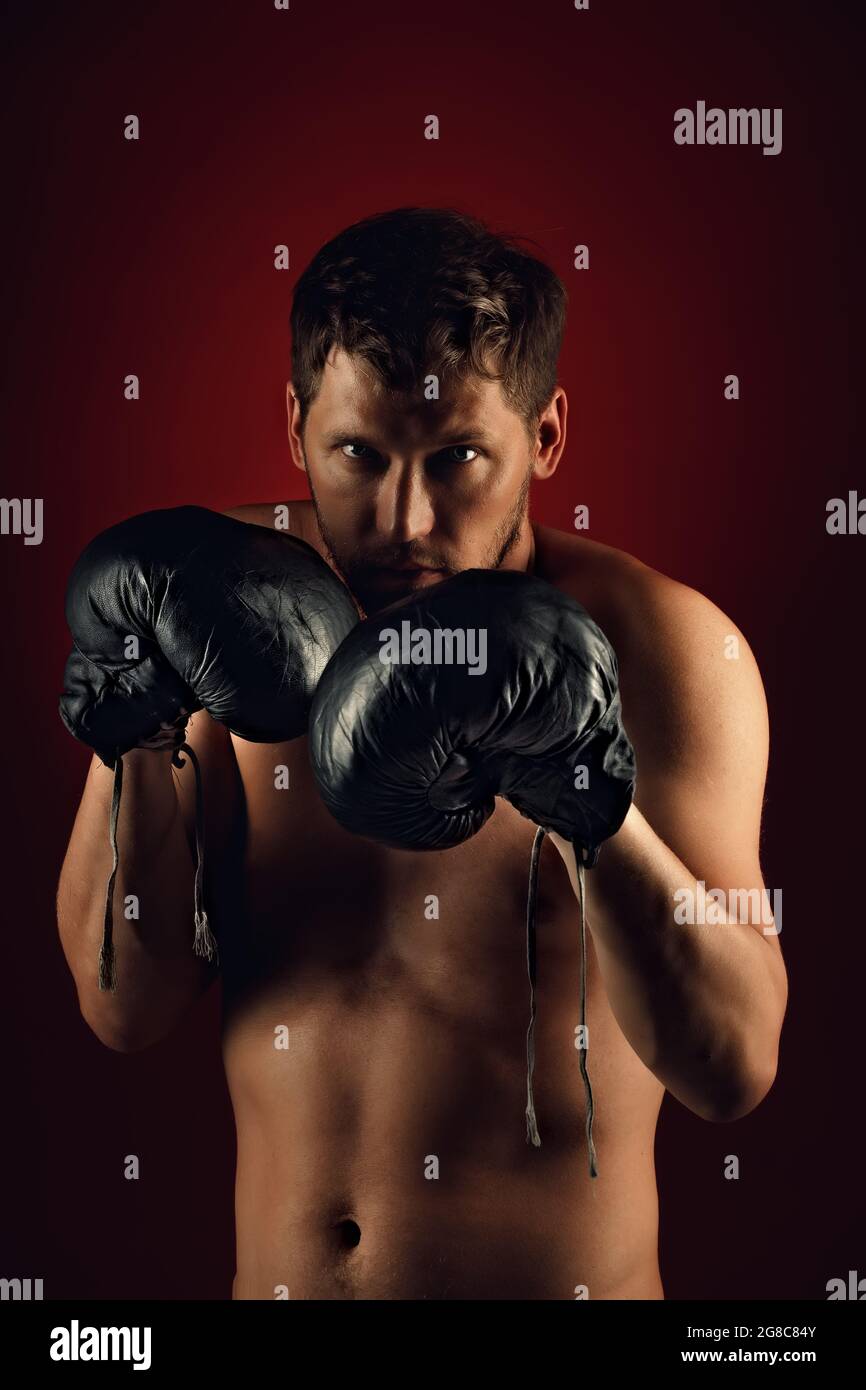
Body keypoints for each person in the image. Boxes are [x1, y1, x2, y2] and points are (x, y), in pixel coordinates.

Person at [57, 206, 788, 1300]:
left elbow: (732, 1068)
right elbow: (124, 1005)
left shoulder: (667, 654)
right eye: (358, 453)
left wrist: (597, 806)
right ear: (295, 425)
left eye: (456, 459)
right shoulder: (211, 615)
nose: (404, 519)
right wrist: (137, 738)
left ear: (543, 439)